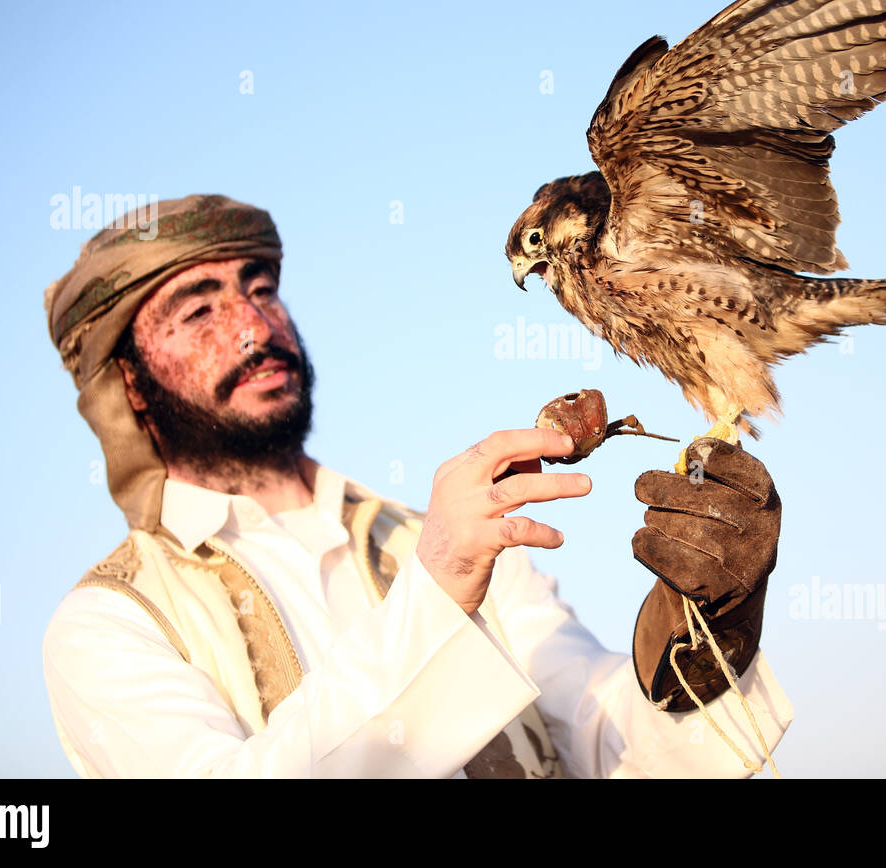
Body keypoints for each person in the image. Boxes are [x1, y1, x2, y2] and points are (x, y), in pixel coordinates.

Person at [41, 193, 793, 778]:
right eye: (199, 309)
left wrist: (707, 624)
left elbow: (613, 748)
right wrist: (437, 591)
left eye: (261, 287)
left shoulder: (452, 536)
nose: (252, 325)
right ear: (130, 384)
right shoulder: (110, 624)